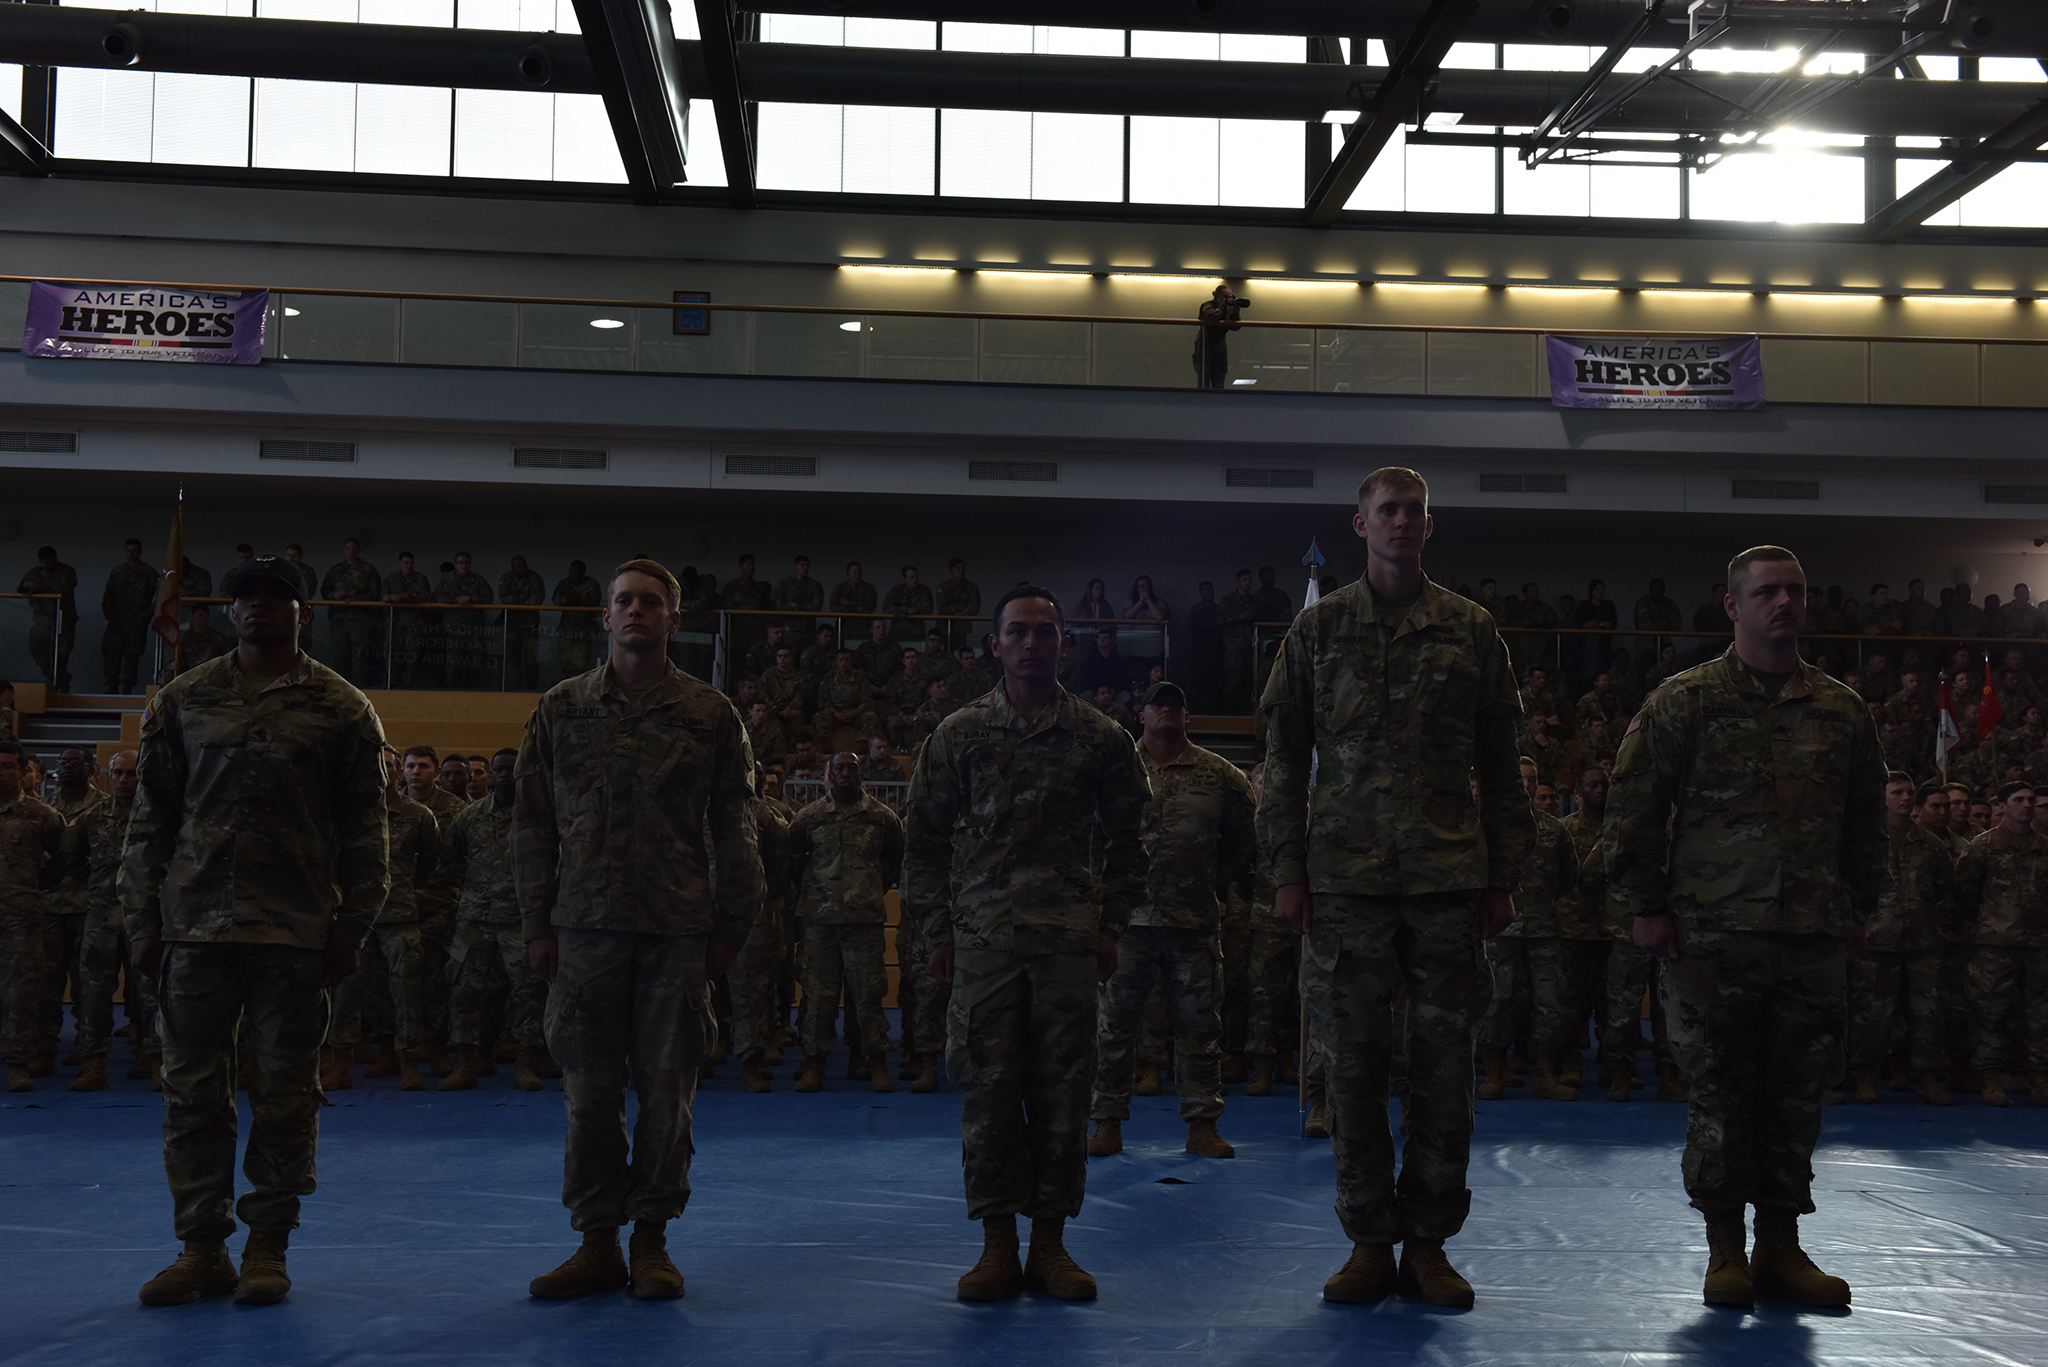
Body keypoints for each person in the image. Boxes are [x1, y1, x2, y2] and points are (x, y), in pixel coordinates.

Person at [1259, 466, 1532, 1309]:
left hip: (1449, 881)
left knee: (1446, 1068)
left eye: (1416, 510)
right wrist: (1288, 873)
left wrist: (1503, 877)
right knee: (1351, 1069)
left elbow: (1502, 763)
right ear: (1360, 524)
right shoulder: (1319, 630)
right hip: (1344, 885)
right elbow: (1281, 761)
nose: (1403, 522)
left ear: (1429, 525)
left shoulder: (1472, 630)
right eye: (1389, 510)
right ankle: (1368, 1240)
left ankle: (1430, 1243)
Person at [1606, 544, 1885, 1311]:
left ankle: (1783, 1246)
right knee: (1722, 1095)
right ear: (1733, 605)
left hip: (1812, 934)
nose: (1783, 603)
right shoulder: (1684, 701)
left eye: (1794, 590)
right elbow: (1633, 808)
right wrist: (1646, 904)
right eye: (1766, 592)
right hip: (1711, 937)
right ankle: (1725, 1246)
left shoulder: (1840, 708)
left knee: (1797, 1096)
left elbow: (1866, 821)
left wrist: (1860, 906)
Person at [121, 554, 390, 1307]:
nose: (261, 607)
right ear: (231, 610)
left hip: (295, 934)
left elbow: (365, 831)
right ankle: (200, 1247)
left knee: (283, 1096)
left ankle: (268, 1244)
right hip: (196, 930)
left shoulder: (342, 708)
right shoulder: (183, 698)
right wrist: (141, 917)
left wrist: (352, 926)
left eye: (278, 597)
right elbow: (151, 821)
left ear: (302, 613)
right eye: (248, 597)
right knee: (192, 1095)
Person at [513, 558, 764, 1301]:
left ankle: (652, 1237)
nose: (636, 612)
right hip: (584, 931)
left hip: (675, 932)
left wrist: (731, 925)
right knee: (588, 1096)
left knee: (666, 1095)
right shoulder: (561, 708)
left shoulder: (711, 714)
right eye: (624, 601)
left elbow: (737, 825)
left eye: (651, 602)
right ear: (604, 617)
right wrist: (536, 922)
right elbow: (530, 824)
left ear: (672, 619)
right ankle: (597, 1240)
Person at [903, 584, 1150, 1303]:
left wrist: (1110, 923)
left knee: (1064, 1092)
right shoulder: (957, 734)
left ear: (1064, 644)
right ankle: (996, 1244)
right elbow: (921, 844)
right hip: (982, 944)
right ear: (995, 644)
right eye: (1019, 632)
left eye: (1046, 632)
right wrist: (934, 931)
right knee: (987, 1090)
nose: (1033, 644)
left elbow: (1133, 839)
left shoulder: (1101, 737)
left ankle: (1050, 1244)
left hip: (1068, 944)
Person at [1087, 680, 1252, 1159]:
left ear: (1187, 717)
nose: (1165, 711)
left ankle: (1202, 1124)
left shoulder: (1220, 775)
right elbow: (1094, 839)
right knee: (1114, 1027)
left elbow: (1244, 838)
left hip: (1192, 922)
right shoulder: (1116, 771)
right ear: (1141, 715)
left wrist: (1211, 881)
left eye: (1174, 705)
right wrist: (1103, 901)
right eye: (1157, 705)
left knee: (1200, 1027)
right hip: (1127, 924)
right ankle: (1106, 1123)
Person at [786, 750, 905, 1093]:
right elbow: (794, 861)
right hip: (819, 924)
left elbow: (894, 860)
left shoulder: (882, 817)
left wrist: (868, 891)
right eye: (839, 768)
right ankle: (814, 1064)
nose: (846, 773)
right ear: (829, 775)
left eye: (852, 767)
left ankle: (874, 1061)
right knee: (819, 997)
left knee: (867, 995)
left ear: (861, 773)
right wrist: (814, 896)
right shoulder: (810, 817)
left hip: (863, 921)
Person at [329, 746, 440, 1092]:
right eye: (378, 764)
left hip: (399, 917)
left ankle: (408, 1062)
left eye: (391, 766)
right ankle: (339, 1063)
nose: (385, 770)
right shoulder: (350, 812)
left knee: (405, 993)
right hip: (355, 919)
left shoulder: (419, 815)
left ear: (398, 773)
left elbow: (430, 863)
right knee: (346, 992)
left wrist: (403, 890)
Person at [442, 748, 547, 1092]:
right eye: (498, 770)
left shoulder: (538, 817)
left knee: (528, 992)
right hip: (475, 917)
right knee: (464, 991)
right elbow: (452, 858)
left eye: (510, 770)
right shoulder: (470, 817)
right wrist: (475, 889)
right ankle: (468, 1062)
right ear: (488, 775)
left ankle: (525, 1062)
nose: (504, 775)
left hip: (521, 919)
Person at [1851, 777, 1957, 1106]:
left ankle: (1927, 1077)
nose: (1905, 798)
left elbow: (1944, 892)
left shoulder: (1932, 845)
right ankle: (1866, 1075)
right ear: (1882, 799)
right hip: (1877, 942)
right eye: (1897, 792)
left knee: (1928, 1013)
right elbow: (1851, 890)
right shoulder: (1864, 843)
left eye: (1909, 793)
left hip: (1923, 942)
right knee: (1874, 1013)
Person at [1954, 780, 2048, 1109]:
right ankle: (1990, 1078)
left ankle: (2041, 1079)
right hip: (1995, 943)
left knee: (2040, 1015)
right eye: (2019, 800)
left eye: (2031, 800)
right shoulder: (1983, 846)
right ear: (2003, 805)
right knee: (1989, 1012)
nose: (2026, 806)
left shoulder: (2044, 847)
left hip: (2038, 944)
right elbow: (1965, 895)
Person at [66, 748, 154, 1091]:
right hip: (101, 915)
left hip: (144, 917)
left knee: (149, 991)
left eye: (131, 773)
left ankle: (154, 1057)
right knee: (94, 992)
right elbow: (71, 860)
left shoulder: (157, 816)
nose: (123, 780)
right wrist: (98, 886)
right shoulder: (93, 816)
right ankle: (93, 1063)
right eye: (117, 773)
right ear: (107, 776)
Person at [0, 736, 64, 1093]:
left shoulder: (41, 815)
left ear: (23, 772)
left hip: (19, 918)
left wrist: (33, 888)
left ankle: (18, 1064)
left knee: (20, 994)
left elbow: (61, 861)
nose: (0, 773)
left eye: (8, 766)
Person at [321, 539, 383, 687]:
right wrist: (333, 596)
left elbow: (375, 593)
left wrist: (357, 599)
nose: (351, 551)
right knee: (340, 654)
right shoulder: (336, 569)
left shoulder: (368, 570)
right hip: (339, 619)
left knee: (359, 656)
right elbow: (325, 590)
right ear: (344, 550)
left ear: (359, 550)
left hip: (360, 619)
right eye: (348, 548)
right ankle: (341, 688)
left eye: (354, 548)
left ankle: (358, 688)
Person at [16, 545, 79, 692]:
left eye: (48, 562)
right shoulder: (35, 572)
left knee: (61, 655)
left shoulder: (66, 571)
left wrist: (40, 588)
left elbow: (64, 590)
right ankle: (54, 676)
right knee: (35, 646)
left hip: (64, 620)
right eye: (41, 562)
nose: (44, 566)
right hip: (43, 619)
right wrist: (26, 585)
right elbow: (20, 587)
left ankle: (61, 686)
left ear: (55, 560)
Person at [101, 538, 158, 694]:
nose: (130, 554)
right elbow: (108, 595)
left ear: (140, 551)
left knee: (132, 657)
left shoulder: (149, 572)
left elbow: (161, 596)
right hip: (117, 620)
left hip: (136, 621)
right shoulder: (118, 571)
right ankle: (112, 686)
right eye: (127, 550)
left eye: (133, 550)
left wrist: (146, 614)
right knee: (111, 654)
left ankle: (127, 687)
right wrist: (108, 613)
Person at [435, 552, 495, 689]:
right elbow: (439, 597)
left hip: (474, 629)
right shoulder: (447, 579)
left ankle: (472, 691)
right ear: (455, 564)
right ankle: (450, 693)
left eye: (466, 563)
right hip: (453, 629)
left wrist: (470, 598)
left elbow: (488, 597)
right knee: (453, 664)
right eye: (460, 563)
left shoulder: (478, 580)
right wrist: (458, 600)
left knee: (474, 663)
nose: (464, 565)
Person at [382, 552, 434, 688]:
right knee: (392, 655)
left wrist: (410, 597)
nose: (409, 566)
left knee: (411, 656)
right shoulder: (391, 578)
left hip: (413, 624)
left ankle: (408, 685)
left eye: (411, 563)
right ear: (400, 564)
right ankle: (391, 685)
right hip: (395, 623)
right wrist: (391, 597)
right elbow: (382, 595)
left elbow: (425, 595)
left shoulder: (420, 578)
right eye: (406, 563)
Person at [499, 555, 548, 691]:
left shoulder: (534, 577)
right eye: (518, 567)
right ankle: (512, 689)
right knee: (511, 659)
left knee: (530, 659)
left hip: (529, 624)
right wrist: (524, 597)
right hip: (511, 624)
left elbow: (537, 599)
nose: (522, 569)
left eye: (524, 566)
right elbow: (504, 600)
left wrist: (516, 601)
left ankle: (530, 689)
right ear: (513, 567)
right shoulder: (505, 578)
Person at [552, 560, 604, 680]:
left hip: (585, 628)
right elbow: (556, 600)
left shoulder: (591, 583)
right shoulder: (564, 583)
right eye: (571, 570)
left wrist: (578, 599)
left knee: (581, 660)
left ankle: (580, 686)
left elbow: (595, 602)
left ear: (583, 572)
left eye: (576, 571)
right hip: (567, 627)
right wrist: (567, 598)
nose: (573, 573)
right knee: (565, 659)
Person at [1217, 570, 1259, 714]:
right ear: (1238, 582)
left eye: (1250, 580)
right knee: (1233, 678)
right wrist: (1238, 616)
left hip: (1251, 645)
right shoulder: (1229, 600)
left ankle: (1246, 712)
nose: (1248, 583)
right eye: (1245, 580)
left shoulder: (1255, 600)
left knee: (1248, 679)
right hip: (1233, 646)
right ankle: (1227, 712)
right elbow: (1219, 619)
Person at [1193, 283, 1244, 389]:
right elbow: (1212, 318)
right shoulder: (1207, 305)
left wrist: (1235, 310)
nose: (1227, 299)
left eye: (1229, 297)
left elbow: (1235, 327)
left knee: (1219, 376)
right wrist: (1221, 307)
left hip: (1219, 345)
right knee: (1204, 377)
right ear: (1215, 295)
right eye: (1225, 297)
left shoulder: (1228, 309)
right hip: (1205, 345)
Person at [1187, 581, 1224, 714]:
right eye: (1207, 590)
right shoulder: (1196, 609)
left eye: (1212, 590)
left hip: (1216, 652)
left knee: (1215, 684)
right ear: (1201, 592)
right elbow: (1194, 628)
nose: (1210, 593)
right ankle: (1194, 711)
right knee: (1197, 683)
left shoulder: (1218, 608)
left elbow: (1221, 627)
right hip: (1200, 652)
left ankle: (1215, 712)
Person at [1072, 627, 1131, 700]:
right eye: (1099, 638)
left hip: (1114, 692)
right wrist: (1096, 690)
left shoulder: (1119, 659)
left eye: (1105, 638)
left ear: (1111, 640)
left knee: (1125, 695)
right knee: (1085, 697)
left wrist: (1113, 690)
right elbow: (1085, 678)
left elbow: (1123, 679)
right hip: (1095, 692)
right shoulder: (1089, 659)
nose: (1102, 640)